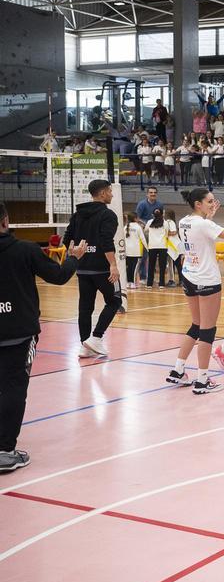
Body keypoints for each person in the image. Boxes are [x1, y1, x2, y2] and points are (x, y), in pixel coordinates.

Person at [0, 203, 86, 471]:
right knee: (14, 388)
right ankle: (4, 451)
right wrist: (73, 257)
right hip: (19, 333)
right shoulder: (24, 250)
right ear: (6, 221)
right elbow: (59, 276)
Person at [166, 188, 224, 394]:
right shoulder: (205, 224)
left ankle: (178, 369)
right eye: (210, 201)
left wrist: (209, 217)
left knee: (196, 325)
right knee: (207, 330)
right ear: (198, 204)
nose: (214, 204)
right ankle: (203, 380)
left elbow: (202, 234)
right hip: (206, 279)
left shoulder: (184, 221)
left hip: (189, 277)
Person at [62, 179, 122, 358]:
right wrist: (113, 264)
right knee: (115, 301)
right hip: (102, 269)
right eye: (110, 191)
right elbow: (105, 241)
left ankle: (84, 346)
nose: (111, 194)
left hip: (82, 268)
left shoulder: (78, 214)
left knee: (85, 307)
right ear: (102, 193)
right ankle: (96, 338)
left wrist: (76, 255)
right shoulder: (108, 215)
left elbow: (67, 239)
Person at [145, 209, 171, 290]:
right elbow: (167, 233)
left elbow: (145, 230)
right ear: (162, 214)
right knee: (162, 266)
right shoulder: (165, 222)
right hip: (162, 246)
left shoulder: (149, 222)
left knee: (151, 265)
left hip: (152, 246)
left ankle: (149, 284)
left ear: (153, 214)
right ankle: (161, 284)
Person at [124, 215, 146, 290]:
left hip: (127, 251)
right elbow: (142, 238)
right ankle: (133, 283)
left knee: (129, 267)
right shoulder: (138, 227)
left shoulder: (125, 227)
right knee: (135, 268)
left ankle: (128, 283)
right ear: (135, 218)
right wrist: (148, 248)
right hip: (136, 251)